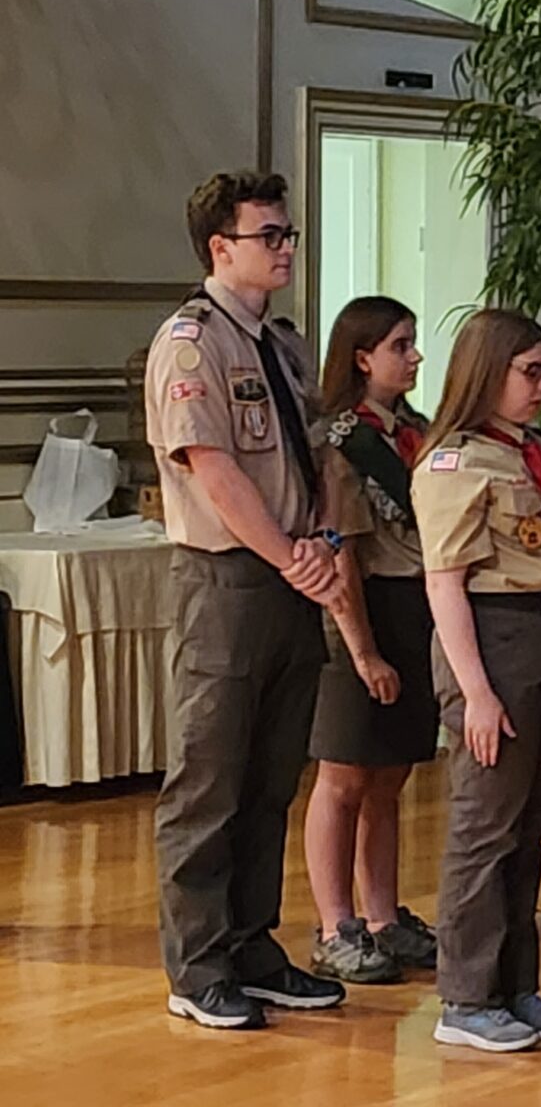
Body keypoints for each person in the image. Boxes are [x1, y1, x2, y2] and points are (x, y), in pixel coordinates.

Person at [147, 170, 346, 1030]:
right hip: (229, 579)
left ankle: (252, 943)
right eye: (269, 235)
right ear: (220, 248)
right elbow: (214, 472)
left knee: (271, 776)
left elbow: (319, 453)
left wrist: (325, 545)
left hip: (294, 573)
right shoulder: (192, 344)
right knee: (211, 779)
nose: (287, 248)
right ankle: (196, 967)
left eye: (289, 233)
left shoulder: (286, 345)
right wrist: (292, 559)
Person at [413, 309, 541, 1053]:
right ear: (487, 373)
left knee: (528, 825)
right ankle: (465, 995)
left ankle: (517, 984)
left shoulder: (535, 455)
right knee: (484, 824)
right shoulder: (456, 463)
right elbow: (444, 583)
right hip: (494, 636)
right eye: (532, 371)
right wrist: (477, 692)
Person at [303, 296, 439, 985]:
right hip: (362, 609)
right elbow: (344, 550)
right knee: (344, 775)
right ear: (363, 358)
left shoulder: (414, 432)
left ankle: (384, 917)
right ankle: (335, 924)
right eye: (400, 345)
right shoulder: (340, 442)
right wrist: (362, 650)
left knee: (391, 775)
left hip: (416, 605)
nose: (414, 356)